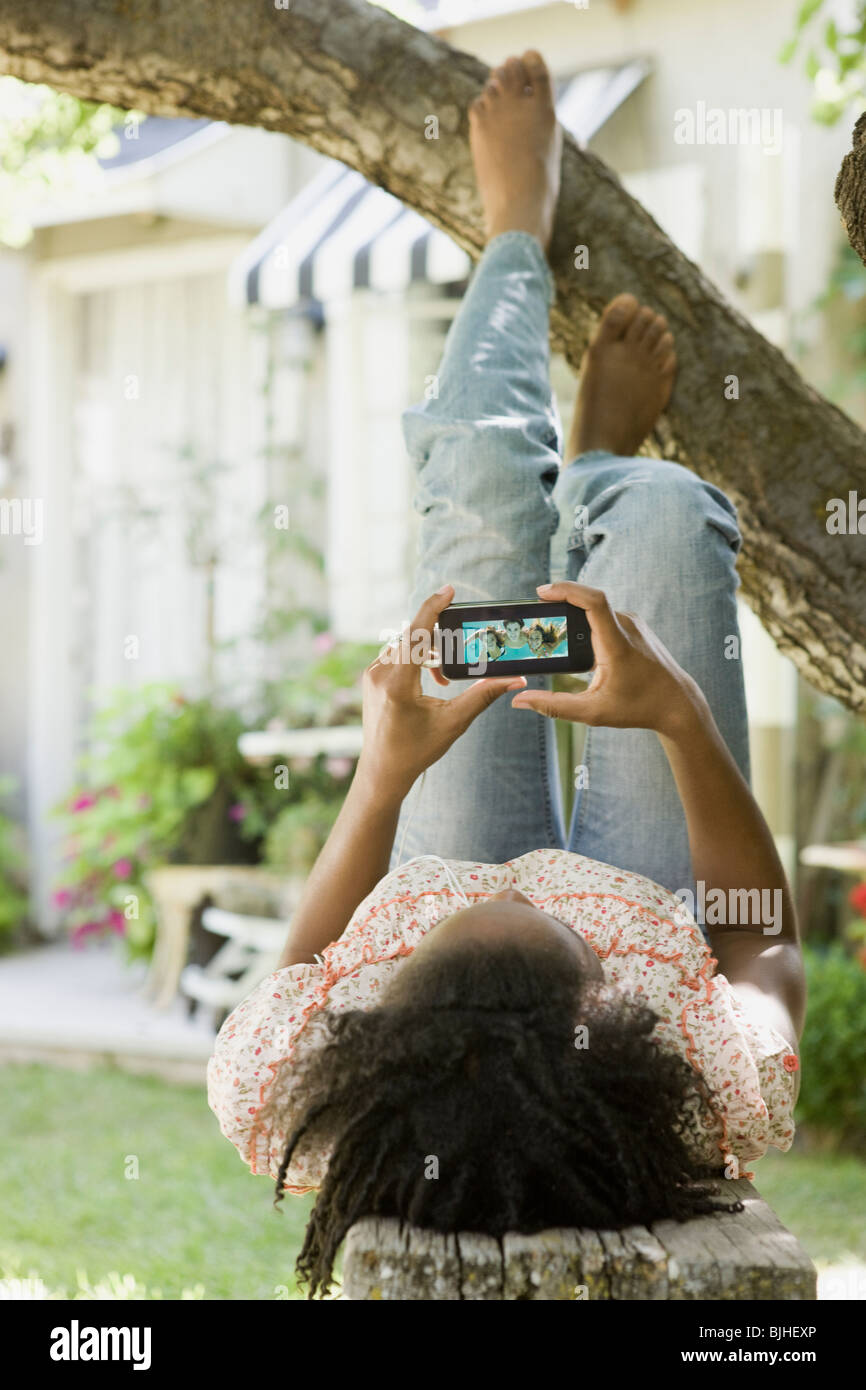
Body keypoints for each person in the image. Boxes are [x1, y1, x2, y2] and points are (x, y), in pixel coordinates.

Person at [207, 51, 805, 1300]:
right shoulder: (697, 1079)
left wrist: (381, 784)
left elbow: (294, 970)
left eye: (431, 927)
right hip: (655, 903)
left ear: (381, 1016)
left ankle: (511, 237)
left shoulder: (293, 1095)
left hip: (442, 897)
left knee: (479, 506)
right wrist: (681, 725)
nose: (502, 884)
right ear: (606, 998)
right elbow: (756, 949)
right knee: (669, 517)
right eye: (531, 915)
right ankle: (598, 470)